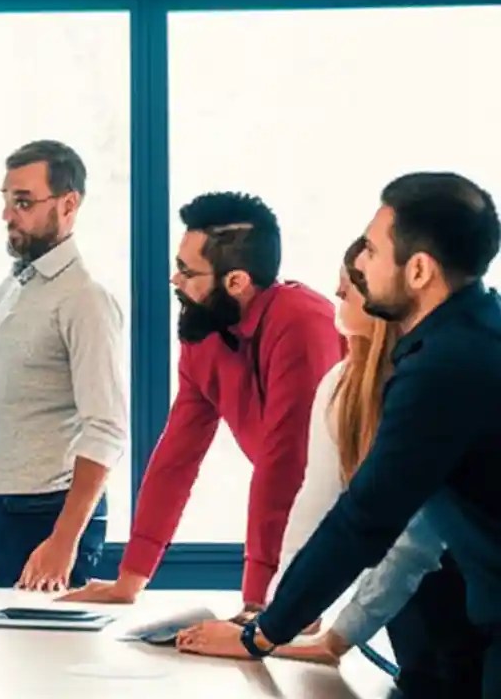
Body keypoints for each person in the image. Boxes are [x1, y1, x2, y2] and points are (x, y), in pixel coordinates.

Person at [174, 171, 501, 697]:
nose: (360, 265)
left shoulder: (445, 367)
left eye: (371, 250)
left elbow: (366, 518)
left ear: (418, 270)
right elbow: (413, 525)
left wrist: (264, 632)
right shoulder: (471, 337)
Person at [60, 192, 344, 617]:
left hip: (380, 525)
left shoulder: (302, 323)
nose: (175, 281)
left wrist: (256, 606)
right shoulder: (205, 336)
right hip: (319, 525)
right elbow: (176, 456)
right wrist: (130, 579)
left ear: (236, 282)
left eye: (187, 272)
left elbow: (286, 464)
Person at [256, 237, 485, 696]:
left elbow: (411, 543)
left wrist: (330, 638)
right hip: (415, 626)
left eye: (354, 282)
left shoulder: (438, 381)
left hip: (467, 609)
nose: (338, 292)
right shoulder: (340, 385)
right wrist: (274, 614)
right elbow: (316, 503)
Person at [0, 140, 128, 592]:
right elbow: (0, 418)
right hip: (3, 515)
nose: (8, 215)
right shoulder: (13, 290)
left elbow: (106, 429)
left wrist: (63, 542)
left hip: (52, 514)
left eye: (23, 202)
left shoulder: (85, 301)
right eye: (6, 201)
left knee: (48, 662)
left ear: (68, 205)